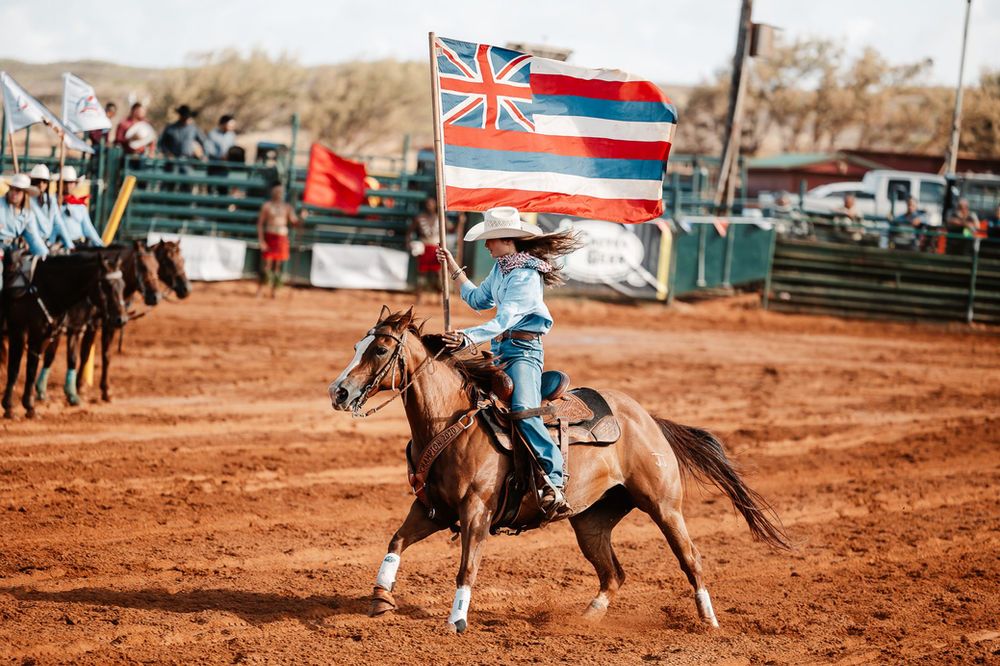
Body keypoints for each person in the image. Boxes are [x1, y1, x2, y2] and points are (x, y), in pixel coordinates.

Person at [436, 206, 582, 517]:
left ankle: (553, 480)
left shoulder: (526, 274)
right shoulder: (502, 268)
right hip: (502, 351)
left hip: (523, 352)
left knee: (523, 411)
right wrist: (453, 268)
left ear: (505, 239)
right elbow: (479, 301)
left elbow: (504, 319)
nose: (486, 245)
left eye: (489, 240)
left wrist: (465, 337)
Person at [256, 182, 303, 298]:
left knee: (277, 265)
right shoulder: (267, 206)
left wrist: (301, 217)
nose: (279, 194)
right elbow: (260, 224)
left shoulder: (287, 207)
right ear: (272, 192)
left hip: (281, 237)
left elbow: (294, 223)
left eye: (281, 192)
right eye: (277, 191)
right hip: (270, 236)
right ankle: (260, 289)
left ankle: (274, 290)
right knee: (266, 264)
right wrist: (261, 241)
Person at [409, 195, 455, 304]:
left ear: (435, 205)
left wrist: (460, 223)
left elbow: (451, 230)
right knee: (422, 273)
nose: (429, 206)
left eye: (431, 203)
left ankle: (441, 298)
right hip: (424, 247)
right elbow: (409, 231)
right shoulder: (420, 218)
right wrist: (409, 243)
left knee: (439, 273)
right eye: (427, 203)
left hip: (436, 248)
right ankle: (419, 297)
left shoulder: (441, 218)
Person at [159, 105, 206, 193]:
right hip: (172, 161)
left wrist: (204, 155)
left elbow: (203, 142)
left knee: (187, 183)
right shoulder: (170, 128)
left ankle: (185, 203)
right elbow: (162, 143)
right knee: (170, 183)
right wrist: (167, 153)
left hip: (187, 161)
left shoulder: (193, 128)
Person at [28, 164, 75, 252]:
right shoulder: (27, 200)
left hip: (49, 243)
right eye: (37, 181)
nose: (41, 184)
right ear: (32, 182)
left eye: (44, 181)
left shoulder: (51, 200)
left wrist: (70, 244)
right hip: (32, 243)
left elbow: (58, 223)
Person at [0, 173, 49, 256]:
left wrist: (45, 255)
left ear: (25, 193)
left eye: (18, 190)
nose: (13, 193)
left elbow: (33, 237)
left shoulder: (28, 213)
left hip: (14, 249)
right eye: (12, 189)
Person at [57, 166, 104, 247]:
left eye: (71, 183)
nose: (68, 186)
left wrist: (100, 245)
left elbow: (88, 228)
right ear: (59, 184)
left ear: (75, 184)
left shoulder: (80, 206)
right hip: (60, 244)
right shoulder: (53, 203)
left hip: (78, 244)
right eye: (65, 183)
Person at [204, 114, 238, 194]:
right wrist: (219, 157)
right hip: (214, 165)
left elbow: (233, 148)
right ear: (224, 123)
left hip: (225, 167)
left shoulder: (232, 135)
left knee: (223, 188)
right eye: (230, 124)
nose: (232, 126)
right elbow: (208, 149)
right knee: (211, 188)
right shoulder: (212, 134)